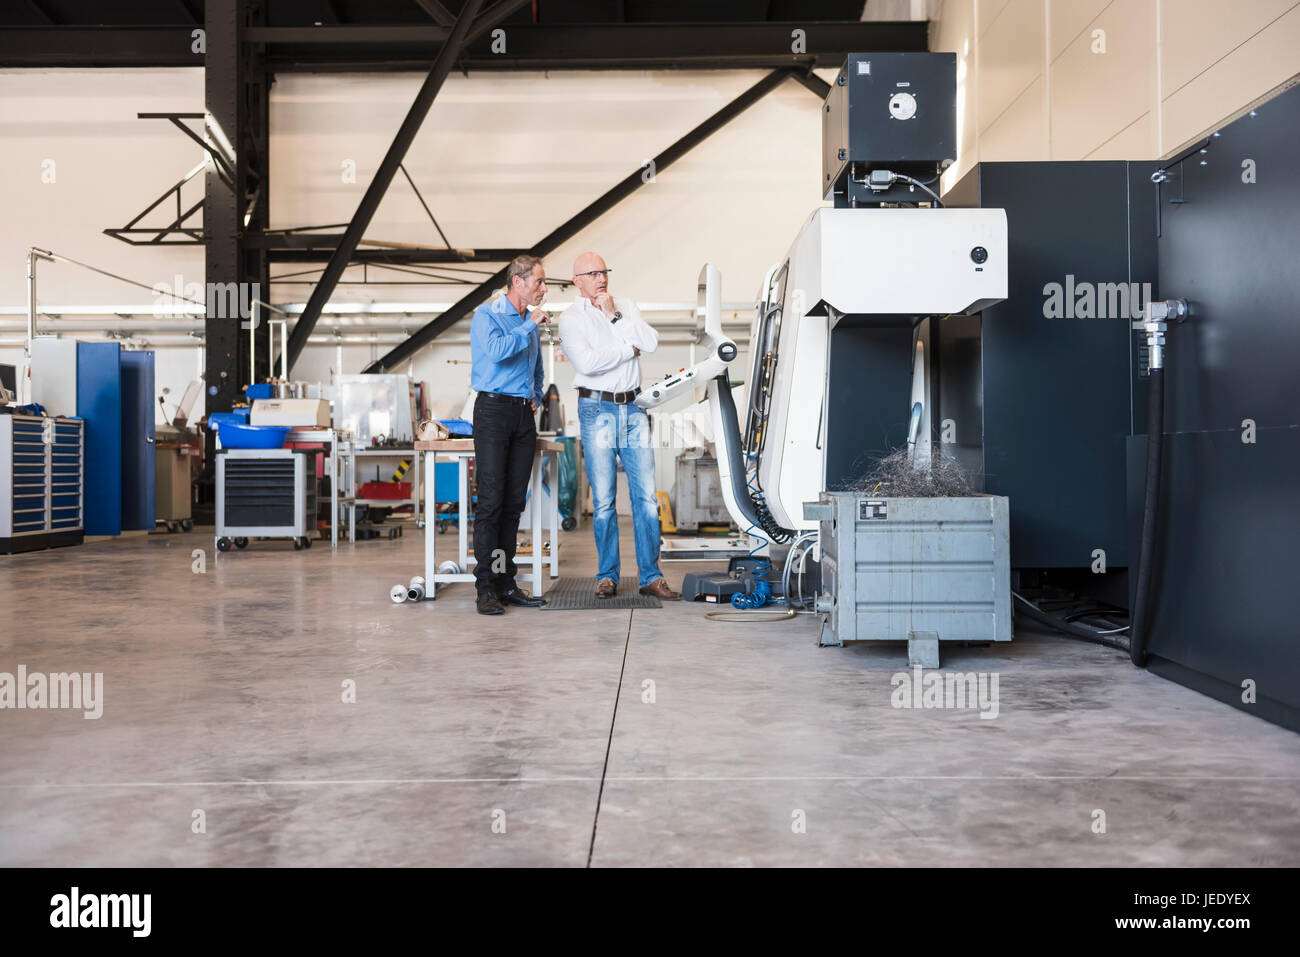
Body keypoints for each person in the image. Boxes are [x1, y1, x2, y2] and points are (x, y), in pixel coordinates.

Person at [558, 252, 680, 601]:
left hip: (634, 408)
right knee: (605, 501)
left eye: (604, 271)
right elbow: (587, 363)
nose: (601, 278)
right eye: (593, 273)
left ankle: (651, 577)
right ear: (578, 280)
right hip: (596, 408)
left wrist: (615, 316)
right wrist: (629, 349)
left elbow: (652, 343)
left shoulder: (625, 306)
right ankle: (607, 575)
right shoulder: (570, 319)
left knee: (644, 499)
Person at [469, 255, 550, 615]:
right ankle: (485, 588)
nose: (543, 288)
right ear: (517, 282)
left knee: (514, 505)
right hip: (492, 412)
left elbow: (537, 368)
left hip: (521, 415)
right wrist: (530, 325)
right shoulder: (487, 316)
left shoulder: (525, 322)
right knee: (491, 503)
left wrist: (535, 395)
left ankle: (505, 582)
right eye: (539, 282)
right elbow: (499, 353)